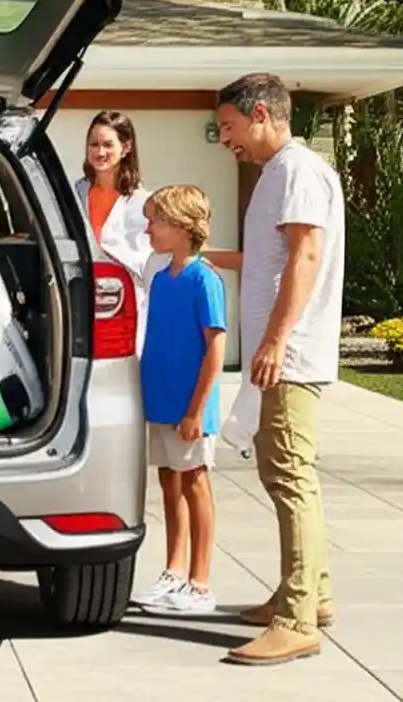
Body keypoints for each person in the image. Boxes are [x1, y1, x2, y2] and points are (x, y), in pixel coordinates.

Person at [205, 72, 344, 666]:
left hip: (290, 353)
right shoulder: (279, 176)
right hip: (282, 351)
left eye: (230, 127)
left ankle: (297, 620)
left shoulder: (296, 171)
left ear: (261, 113)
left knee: (289, 475)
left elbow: (306, 255)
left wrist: (274, 341)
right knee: (281, 471)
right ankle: (313, 593)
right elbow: (268, 257)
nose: (225, 139)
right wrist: (190, 255)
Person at [129, 184, 227, 617]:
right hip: (161, 402)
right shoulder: (160, 275)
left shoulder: (204, 279)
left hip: (189, 408)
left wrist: (195, 411)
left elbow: (214, 351)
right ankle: (173, 571)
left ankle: (200, 582)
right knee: (170, 482)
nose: (148, 228)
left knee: (195, 482)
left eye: (156, 221)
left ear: (184, 228)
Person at [73, 110, 165, 349]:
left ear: (126, 148)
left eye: (107, 145)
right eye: (94, 144)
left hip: (128, 310)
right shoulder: (73, 195)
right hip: (82, 308)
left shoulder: (145, 203)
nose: (99, 152)